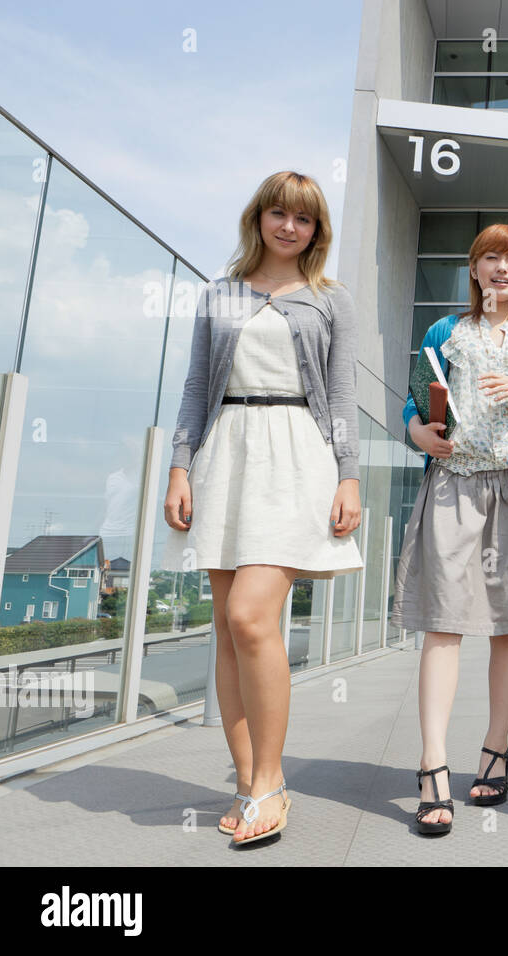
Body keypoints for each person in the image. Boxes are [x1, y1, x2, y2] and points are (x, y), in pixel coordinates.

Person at [162, 170, 363, 845]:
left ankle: (272, 782)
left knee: (252, 617)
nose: (289, 227)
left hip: (297, 457)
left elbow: (339, 397)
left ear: (316, 231)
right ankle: (249, 783)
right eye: (278, 213)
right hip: (226, 456)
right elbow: (196, 387)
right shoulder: (219, 296)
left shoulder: (330, 301)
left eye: (302, 219)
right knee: (227, 627)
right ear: (259, 217)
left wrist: (349, 478)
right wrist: (179, 467)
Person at [391, 224, 508, 837]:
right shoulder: (445, 332)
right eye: (491, 257)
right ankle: (432, 766)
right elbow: (416, 404)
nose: (503, 268)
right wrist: (419, 431)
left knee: (506, 623)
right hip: (454, 484)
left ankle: (496, 750)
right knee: (442, 623)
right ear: (473, 269)